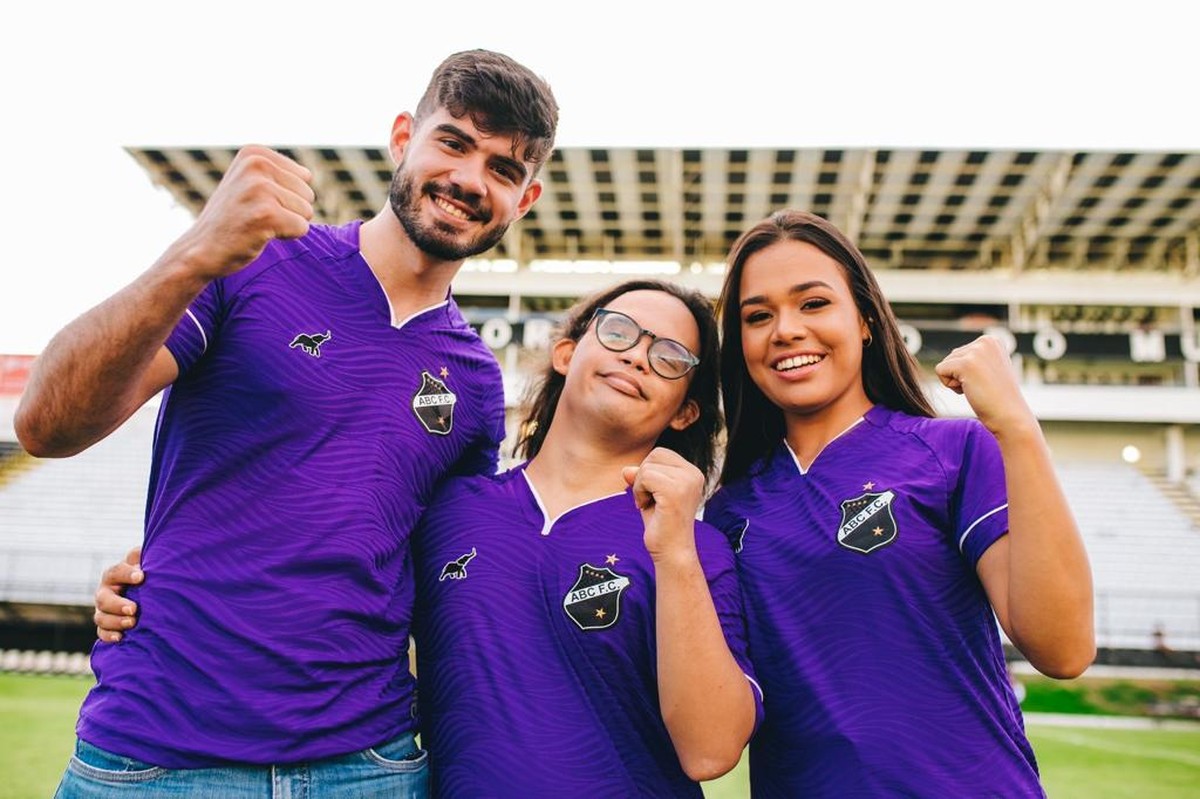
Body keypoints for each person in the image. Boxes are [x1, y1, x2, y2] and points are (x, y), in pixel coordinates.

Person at [17, 49, 558, 798]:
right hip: (156, 753)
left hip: (367, 767)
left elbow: (447, 583)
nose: (471, 179)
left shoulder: (473, 382)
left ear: (525, 200)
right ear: (403, 137)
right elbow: (46, 426)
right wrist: (195, 251)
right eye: (454, 143)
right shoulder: (257, 262)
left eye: (503, 169)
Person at [95, 279, 763, 797]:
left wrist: (675, 551)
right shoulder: (449, 509)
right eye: (619, 331)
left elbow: (709, 751)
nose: (638, 355)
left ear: (686, 410)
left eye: (670, 357)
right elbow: (317, 583)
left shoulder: (695, 547)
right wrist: (156, 587)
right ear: (567, 351)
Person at [702, 209, 1095, 797]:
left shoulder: (954, 452)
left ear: (864, 320)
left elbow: (1063, 650)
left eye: (813, 303)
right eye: (758, 316)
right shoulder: (727, 512)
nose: (785, 330)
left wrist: (1017, 427)